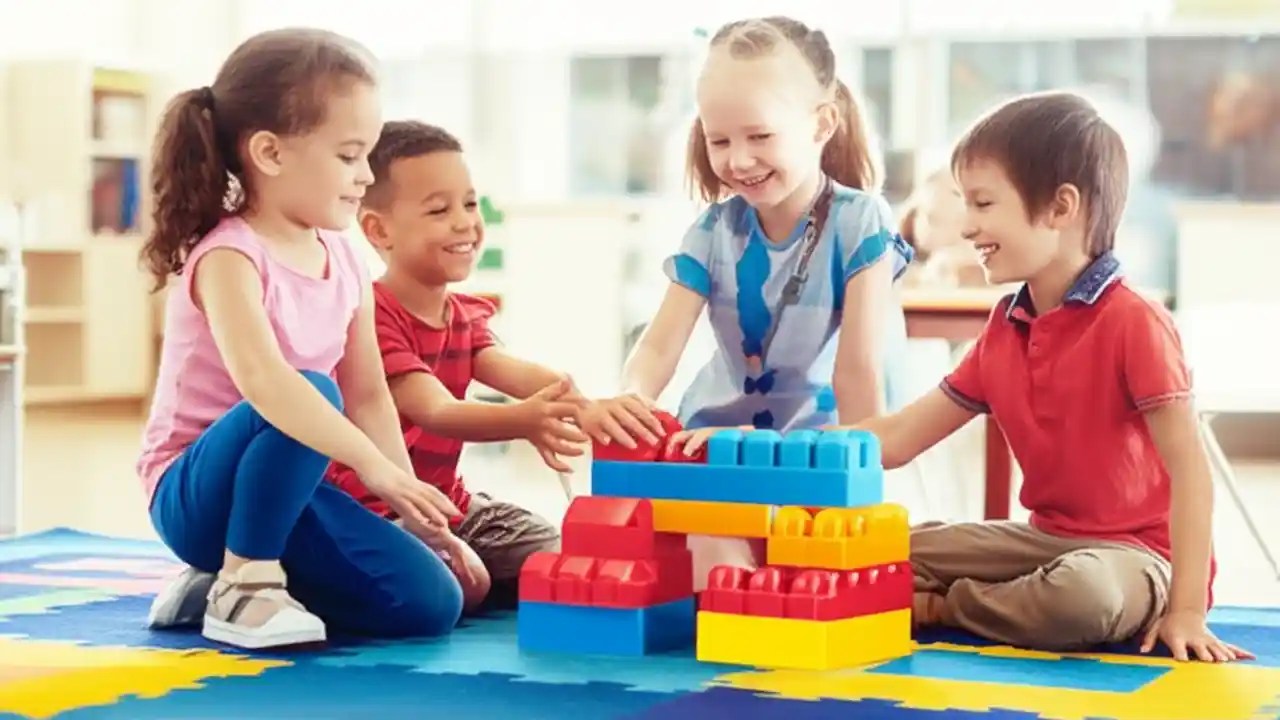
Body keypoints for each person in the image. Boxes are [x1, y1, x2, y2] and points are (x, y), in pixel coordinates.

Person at [840, 91, 1251, 663]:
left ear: (1060, 207)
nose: (966, 226)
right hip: (1044, 543)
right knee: (873, 547)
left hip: (1136, 560)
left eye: (983, 204)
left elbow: (1190, 474)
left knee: (1084, 595)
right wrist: (786, 449)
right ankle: (977, 597)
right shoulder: (1004, 328)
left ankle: (937, 608)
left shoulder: (1134, 321)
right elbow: (900, 437)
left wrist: (1186, 610)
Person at [137, 28, 466, 649]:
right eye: (348, 156)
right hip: (193, 496)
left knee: (428, 603)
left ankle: (226, 581)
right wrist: (372, 468)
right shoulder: (229, 257)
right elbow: (268, 385)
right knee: (306, 389)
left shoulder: (345, 260)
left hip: (284, 493)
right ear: (270, 152)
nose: (366, 175)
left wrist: (413, 513)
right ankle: (243, 585)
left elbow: (368, 395)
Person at [618, 16, 913, 583]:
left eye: (760, 136)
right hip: (713, 448)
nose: (738, 160)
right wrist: (633, 399)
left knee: (801, 574)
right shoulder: (712, 230)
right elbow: (657, 346)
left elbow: (858, 372)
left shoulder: (860, 222)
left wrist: (857, 486)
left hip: (814, 451)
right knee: (708, 569)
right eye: (719, 140)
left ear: (822, 123)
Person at [326, 120, 665, 612]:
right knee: (445, 588)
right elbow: (436, 410)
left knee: (555, 556)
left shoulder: (463, 316)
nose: (465, 222)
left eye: (469, 203)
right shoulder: (372, 315)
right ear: (379, 229)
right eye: (439, 210)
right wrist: (525, 420)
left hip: (454, 508)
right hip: (378, 512)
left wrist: (586, 408)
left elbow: (522, 375)